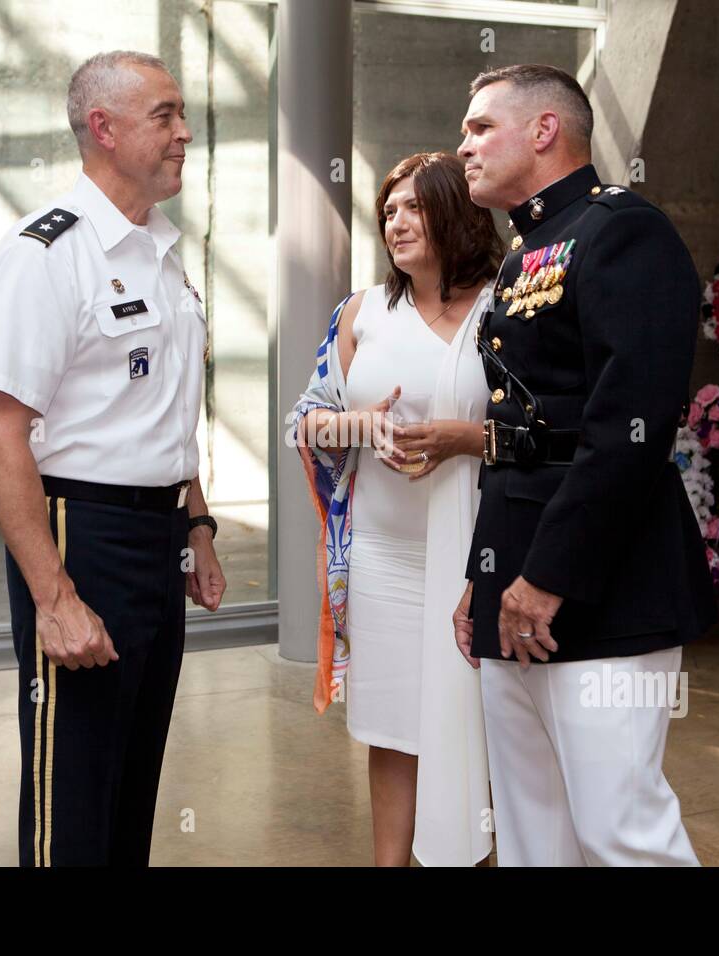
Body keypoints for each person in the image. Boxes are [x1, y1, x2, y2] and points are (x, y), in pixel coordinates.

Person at [452, 64, 718, 866]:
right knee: (536, 834)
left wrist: (548, 573)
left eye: (479, 128)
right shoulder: (527, 250)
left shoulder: (622, 232)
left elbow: (624, 428)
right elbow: (519, 432)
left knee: (620, 830)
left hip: (603, 582)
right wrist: (487, 572)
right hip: (519, 576)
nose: (461, 146)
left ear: (544, 131)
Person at [0, 50, 225, 867]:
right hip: (79, 531)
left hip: (158, 538)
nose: (185, 133)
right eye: (166, 115)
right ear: (104, 129)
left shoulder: (160, 250)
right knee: (72, 786)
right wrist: (54, 598)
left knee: (131, 775)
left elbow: (163, 412)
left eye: (183, 115)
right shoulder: (46, 254)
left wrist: (198, 527)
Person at [290, 152, 503, 866]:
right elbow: (308, 421)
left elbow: (540, 432)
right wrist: (362, 427)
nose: (397, 223)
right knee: (393, 727)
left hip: (479, 558)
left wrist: (460, 440)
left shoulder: (505, 311)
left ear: (457, 212)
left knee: (478, 723)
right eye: (387, 212)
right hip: (383, 556)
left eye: (414, 207)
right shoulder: (362, 312)